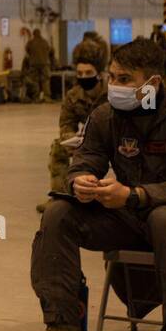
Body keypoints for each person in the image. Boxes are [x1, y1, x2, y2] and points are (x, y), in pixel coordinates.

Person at [18, 38, 166, 331]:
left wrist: (135, 195)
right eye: (112, 77)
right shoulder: (105, 116)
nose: (115, 86)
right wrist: (80, 182)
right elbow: (84, 161)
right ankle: (63, 329)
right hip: (130, 217)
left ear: (153, 84)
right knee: (59, 213)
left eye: (125, 79)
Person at [36, 55, 106, 214]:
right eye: (80, 73)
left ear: (99, 74)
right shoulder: (74, 95)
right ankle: (59, 196)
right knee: (57, 148)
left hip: (113, 139)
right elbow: (66, 124)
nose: (84, 77)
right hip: (88, 141)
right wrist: (72, 140)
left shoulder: (110, 93)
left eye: (89, 72)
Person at [25, 27, 53, 103]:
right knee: (45, 81)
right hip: (44, 64)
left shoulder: (30, 42)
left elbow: (27, 50)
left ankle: (36, 98)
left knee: (34, 81)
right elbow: (49, 50)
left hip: (34, 64)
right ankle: (47, 97)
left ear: (33, 34)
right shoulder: (45, 42)